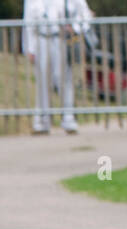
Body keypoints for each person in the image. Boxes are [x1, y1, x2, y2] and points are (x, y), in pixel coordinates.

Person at [23, 0, 93, 135]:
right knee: (42, 81)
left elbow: (85, 13)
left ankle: (68, 119)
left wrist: (75, 27)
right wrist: (30, 48)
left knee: (63, 80)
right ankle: (43, 121)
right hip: (40, 39)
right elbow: (28, 21)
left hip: (61, 39)